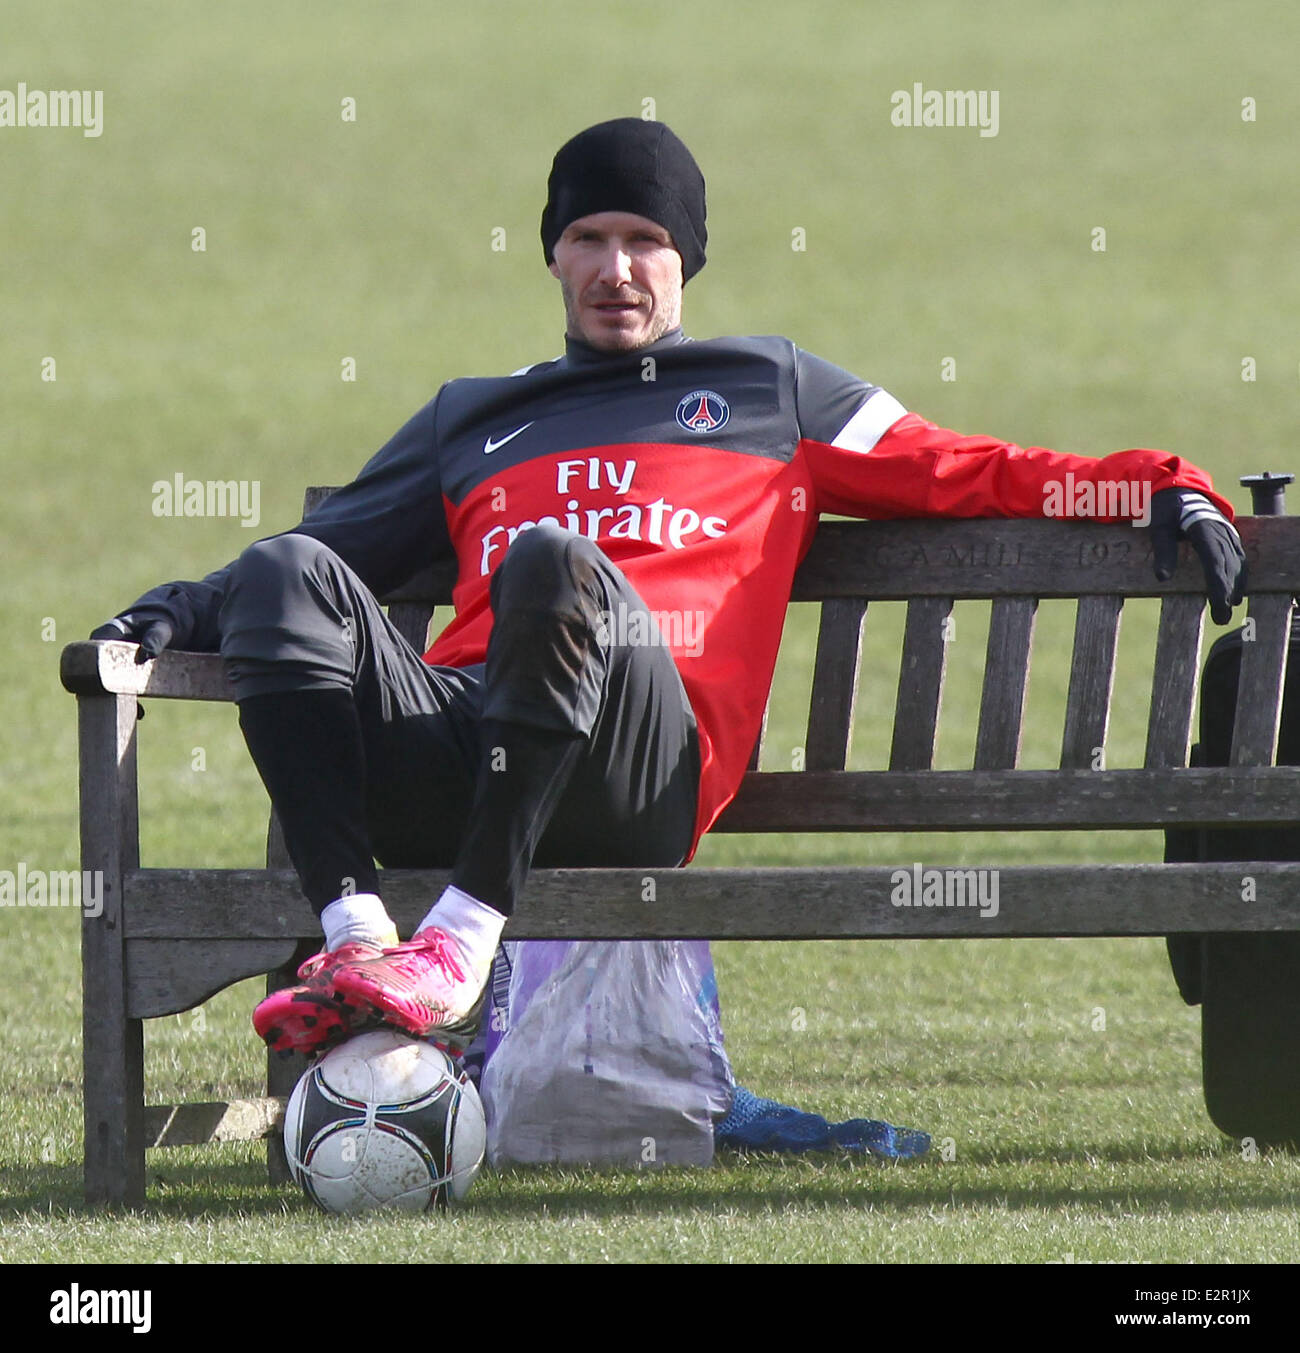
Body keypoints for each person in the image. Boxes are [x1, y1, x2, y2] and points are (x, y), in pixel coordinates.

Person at [91, 118, 1247, 1063]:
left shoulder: (771, 390)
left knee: (553, 560)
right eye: (586, 237)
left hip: (633, 774)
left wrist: (1154, 486)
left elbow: (967, 470)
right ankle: (353, 936)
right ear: (550, 254)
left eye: (643, 239)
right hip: (461, 755)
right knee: (289, 572)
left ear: (686, 256)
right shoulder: (475, 417)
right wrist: (168, 612)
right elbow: (316, 554)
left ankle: (459, 939)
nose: (614, 269)